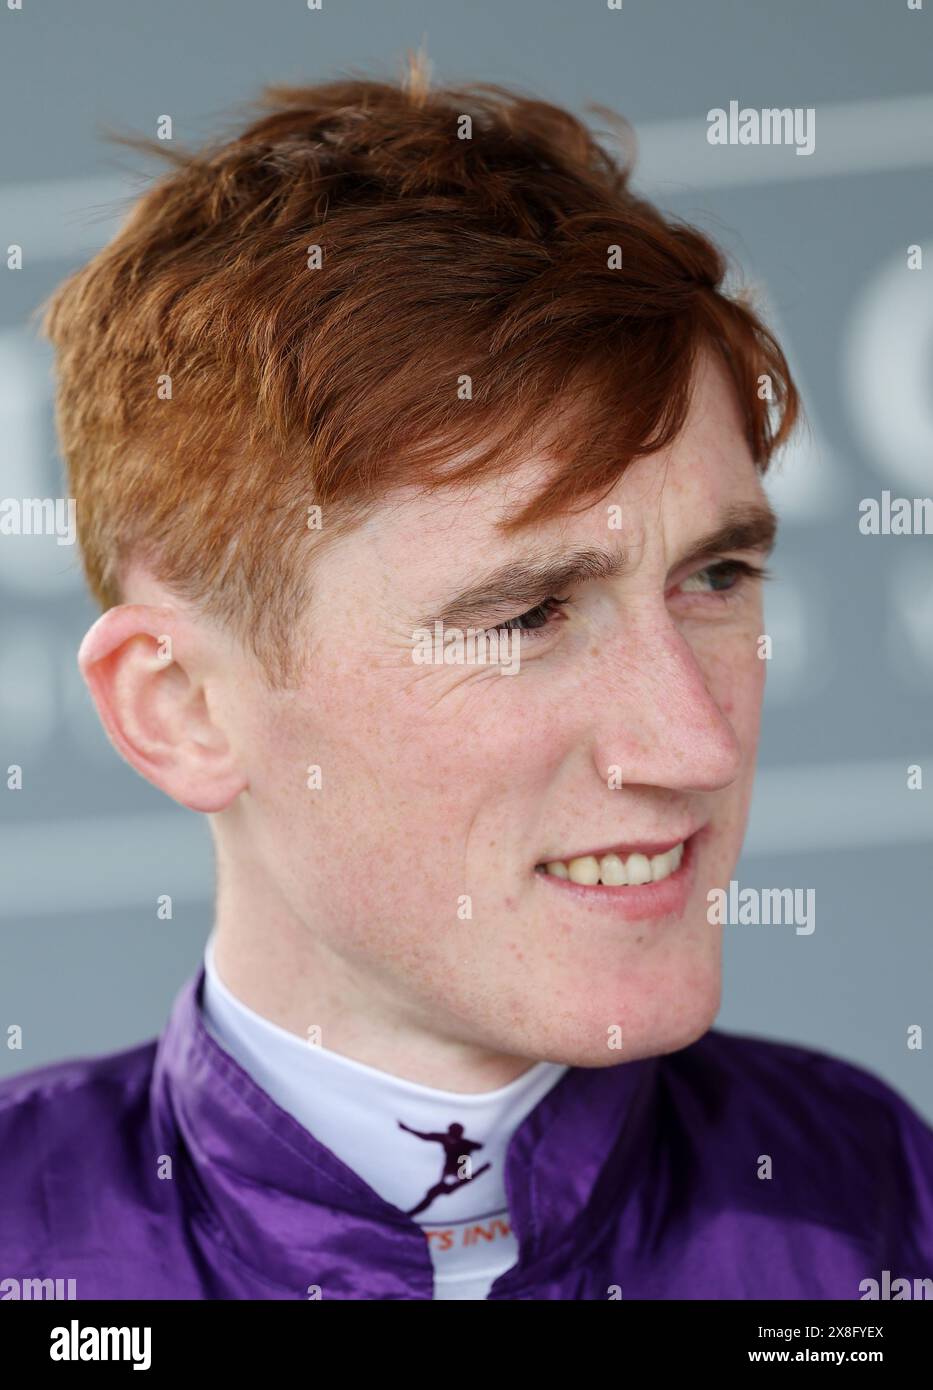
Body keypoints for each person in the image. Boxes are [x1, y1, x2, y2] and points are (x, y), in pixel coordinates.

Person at [2, 53, 931, 1302]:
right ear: (182, 707)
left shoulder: (878, 1210)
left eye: (714, 578)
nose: (695, 744)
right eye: (532, 613)